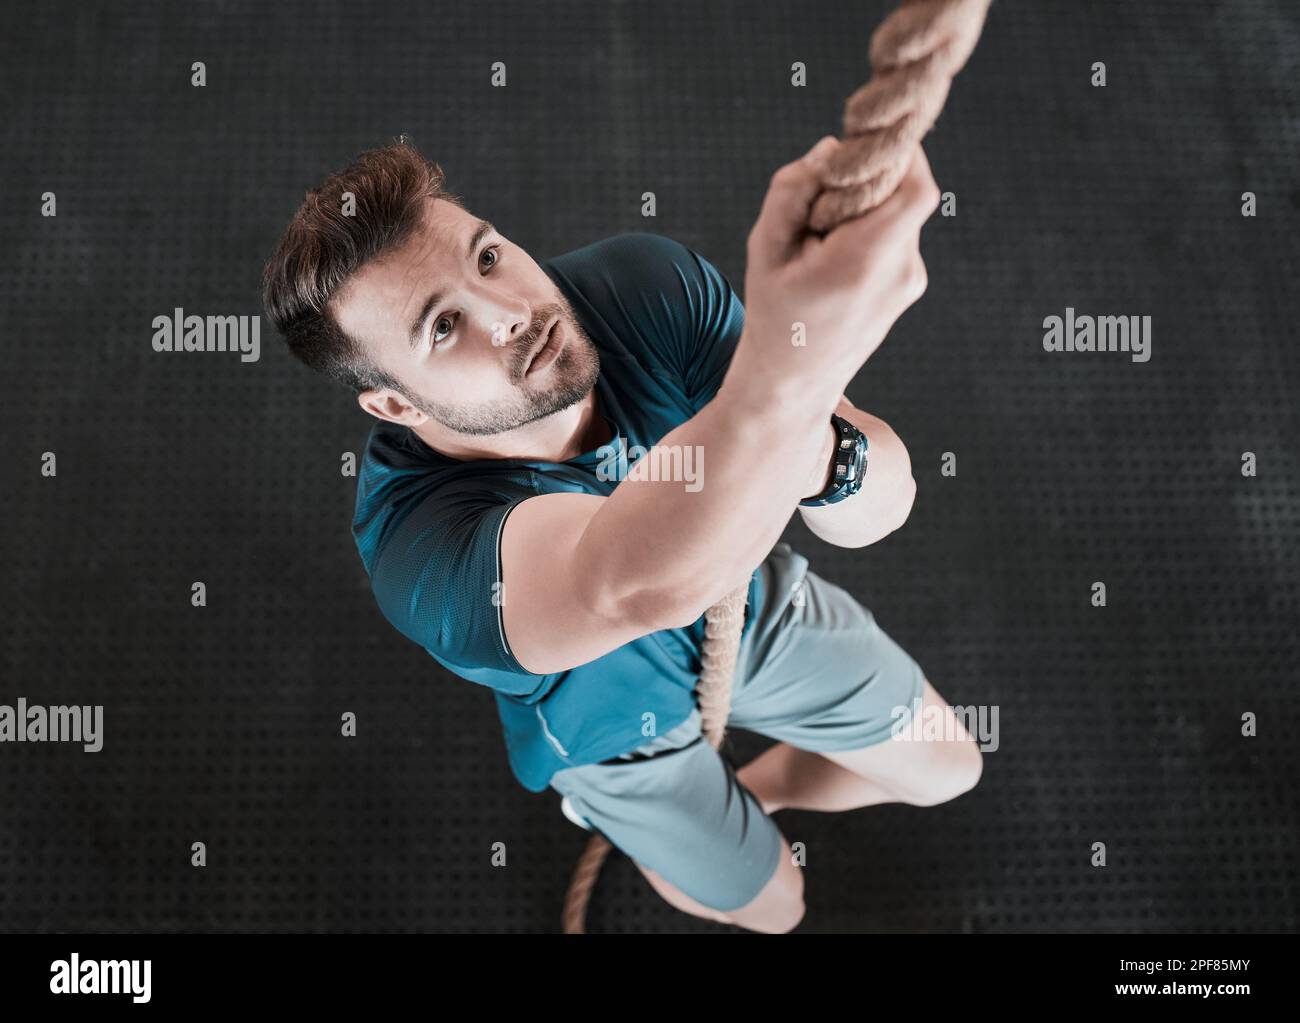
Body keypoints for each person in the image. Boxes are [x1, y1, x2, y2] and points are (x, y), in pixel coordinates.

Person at [261, 135, 982, 933]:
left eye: (489, 257)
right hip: (606, 727)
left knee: (948, 765)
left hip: (748, 605)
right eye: (442, 327)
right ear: (396, 405)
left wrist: (823, 433)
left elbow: (881, 501)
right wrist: (792, 366)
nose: (511, 315)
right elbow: (632, 584)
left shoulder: (645, 285)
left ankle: (750, 795)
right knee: (780, 904)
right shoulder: (415, 554)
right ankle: (654, 819)